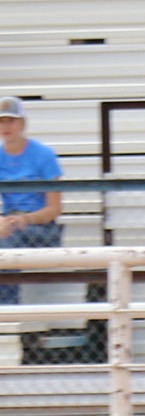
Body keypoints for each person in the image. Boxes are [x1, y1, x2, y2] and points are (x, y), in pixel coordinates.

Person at [0, 97, 62, 306]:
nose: (6, 126)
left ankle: (7, 314)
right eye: (2, 121)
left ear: (22, 124)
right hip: (9, 224)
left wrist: (24, 219)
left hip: (41, 229)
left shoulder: (43, 154)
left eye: (11, 121)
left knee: (7, 242)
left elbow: (54, 208)